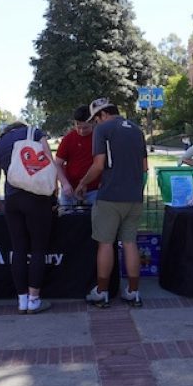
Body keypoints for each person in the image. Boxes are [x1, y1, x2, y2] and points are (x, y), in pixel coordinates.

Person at [0, 122, 71, 314]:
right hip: (38, 199)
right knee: (38, 249)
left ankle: (22, 300)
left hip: (12, 201)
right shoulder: (35, 133)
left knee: (18, 249)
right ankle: (34, 299)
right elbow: (50, 165)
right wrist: (55, 195)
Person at [75, 98, 148, 308]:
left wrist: (82, 183)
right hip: (134, 196)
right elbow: (144, 167)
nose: (95, 124)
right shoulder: (136, 129)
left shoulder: (103, 129)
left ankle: (102, 291)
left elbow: (98, 165)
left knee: (105, 243)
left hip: (109, 196)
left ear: (101, 115)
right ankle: (133, 292)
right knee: (130, 243)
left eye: (95, 120)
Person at [55, 105, 100, 205]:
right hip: (70, 191)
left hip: (93, 191)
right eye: (78, 127)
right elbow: (57, 164)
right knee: (66, 218)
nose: (81, 131)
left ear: (93, 122)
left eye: (85, 128)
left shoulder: (98, 138)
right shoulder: (68, 139)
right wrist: (65, 184)